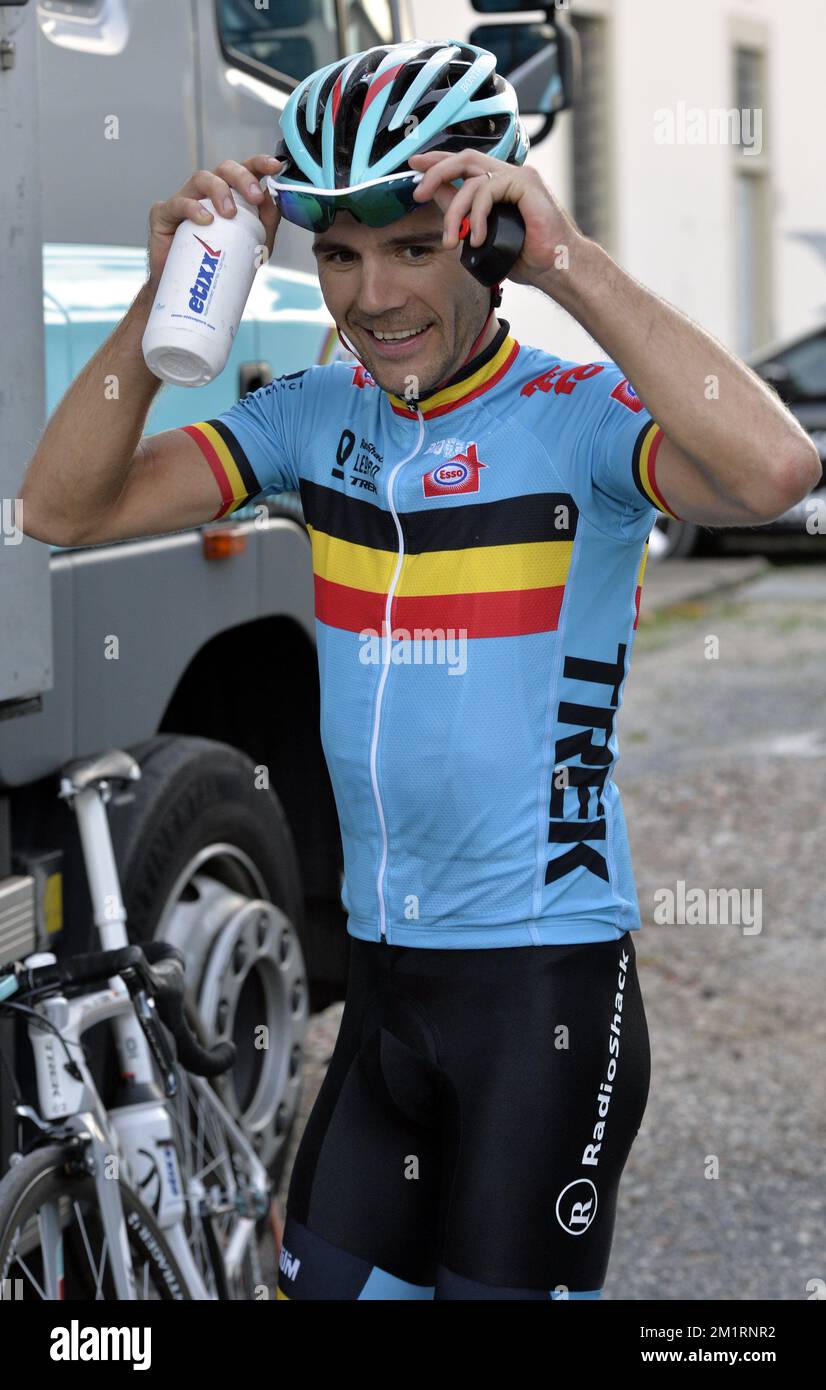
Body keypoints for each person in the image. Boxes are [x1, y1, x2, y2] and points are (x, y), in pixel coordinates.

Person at [21, 39, 819, 1300]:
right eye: (338, 251)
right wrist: (154, 296)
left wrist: (571, 262)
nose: (370, 292)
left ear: (489, 237)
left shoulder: (579, 417)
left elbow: (775, 472)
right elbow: (64, 511)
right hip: (387, 980)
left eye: (411, 245)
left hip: (541, 990)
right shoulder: (309, 420)